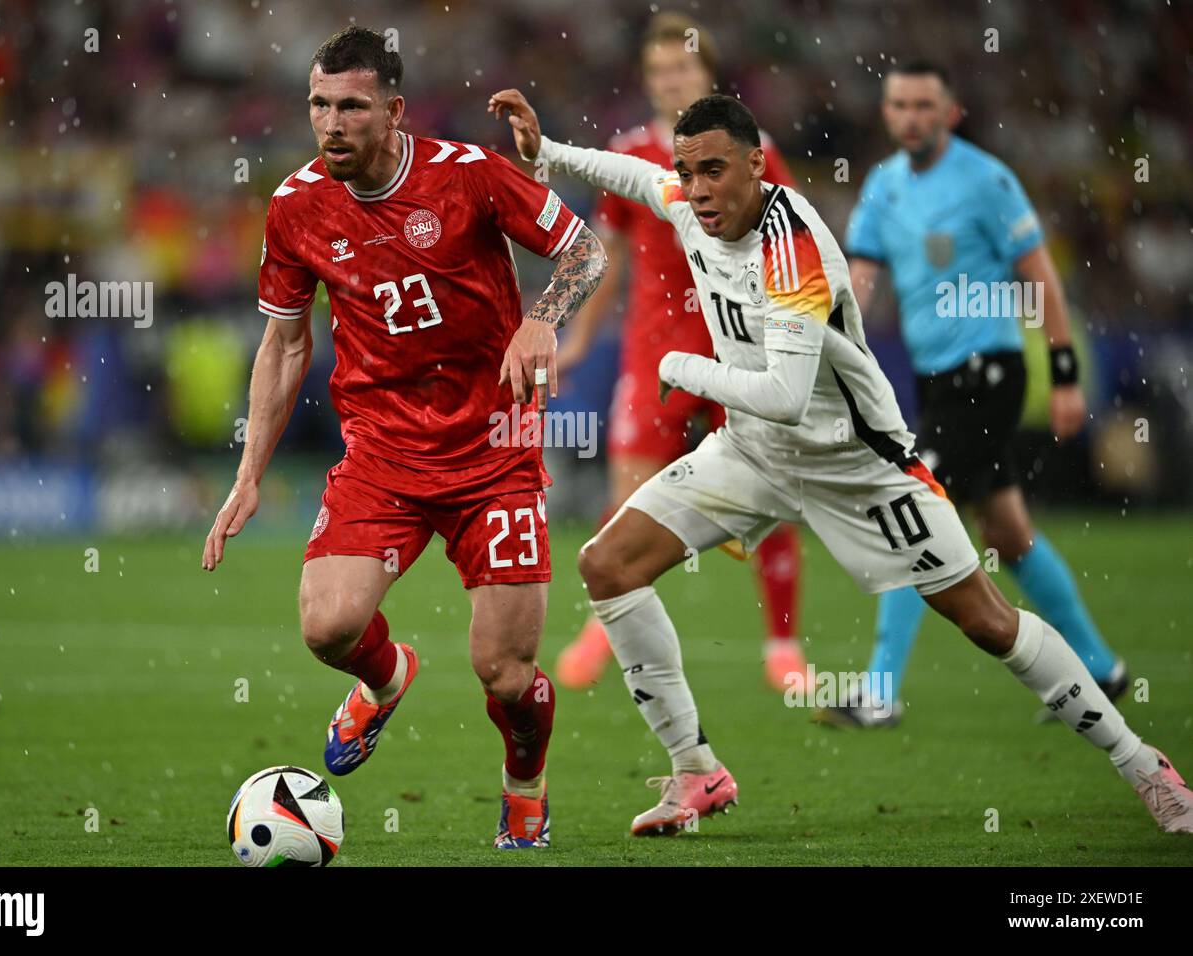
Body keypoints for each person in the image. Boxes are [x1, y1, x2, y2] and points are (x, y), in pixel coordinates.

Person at [488, 86, 1193, 838]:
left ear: (758, 166)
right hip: (754, 452)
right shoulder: (689, 200)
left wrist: (683, 369)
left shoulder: (793, 246)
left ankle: (1146, 767)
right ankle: (695, 770)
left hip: (857, 466)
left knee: (987, 621)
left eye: (714, 172)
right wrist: (549, 153)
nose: (696, 191)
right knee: (607, 566)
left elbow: (786, 394)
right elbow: (634, 177)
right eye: (687, 173)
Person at [203, 27, 607, 850]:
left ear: (393, 110)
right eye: (319, 104)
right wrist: (248, 474)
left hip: (494, 448)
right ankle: (386, 680)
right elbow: (285, 345)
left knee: (506, 674)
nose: (331, 123)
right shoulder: (295, 207)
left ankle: (523, 783)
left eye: (351, 106)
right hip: (383, 451)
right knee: (326, 628)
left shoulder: (467, 176)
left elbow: (585, 251)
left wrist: (540, 319)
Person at [822, 60, 1125, 728]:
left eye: (925, 104)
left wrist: (1066, 373)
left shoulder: (987, 180)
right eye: (900, 104)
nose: (911, 116)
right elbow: (861, 281)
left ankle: (879, 689)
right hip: (936, 380)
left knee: (912, 506)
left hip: (990, 372)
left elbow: (1039, 274)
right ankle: (1101, 666)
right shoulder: (882, 187)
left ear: (951, 112)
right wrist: (831, 347)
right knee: (1007, 532)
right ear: (886, 112)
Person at [551, 11, 808, 693]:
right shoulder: (629, 153)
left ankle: (783, 646)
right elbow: (608, 254)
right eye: (660, 71)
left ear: (706, 76)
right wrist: (575, 337)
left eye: (683, 69)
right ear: (647, 80)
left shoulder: (758, 153)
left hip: (740, 352)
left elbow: (789, 247)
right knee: (628, 499)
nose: (671, 81)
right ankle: (601, 625)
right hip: (654, 352)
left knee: (771, 494)